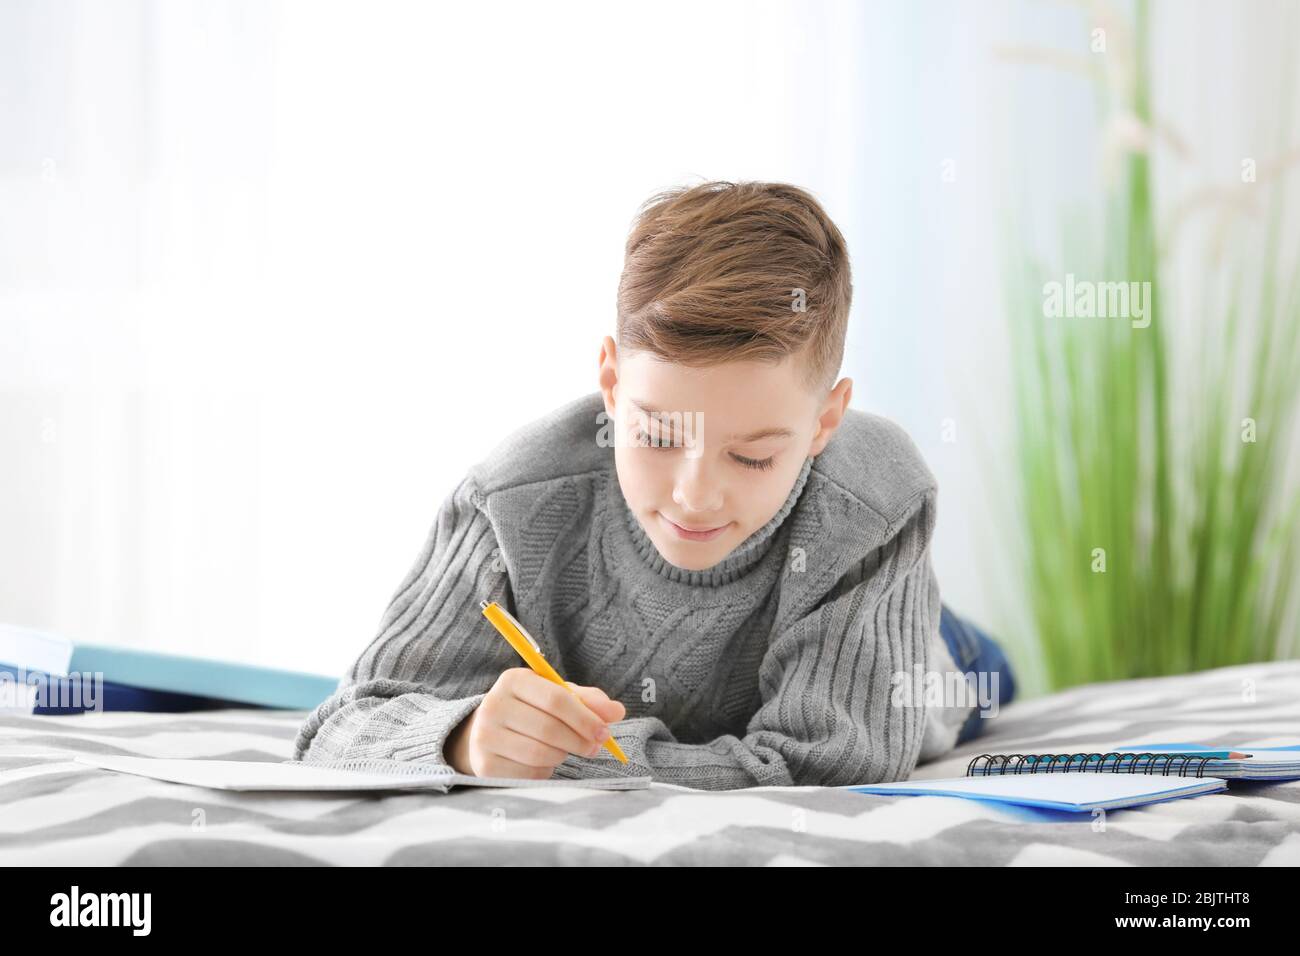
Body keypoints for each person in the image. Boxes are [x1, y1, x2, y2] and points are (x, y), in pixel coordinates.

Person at [292, 180, 1016, 789]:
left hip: (928, 650)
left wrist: (568, 763)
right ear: (610, 383)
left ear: (826, 420)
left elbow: (828, 763)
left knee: (974, 670)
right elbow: (343, 726)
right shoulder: (510, 502)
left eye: (753, 457)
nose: (693, 496)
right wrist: (464, 739)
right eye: (659, 437)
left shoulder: (875, 508)